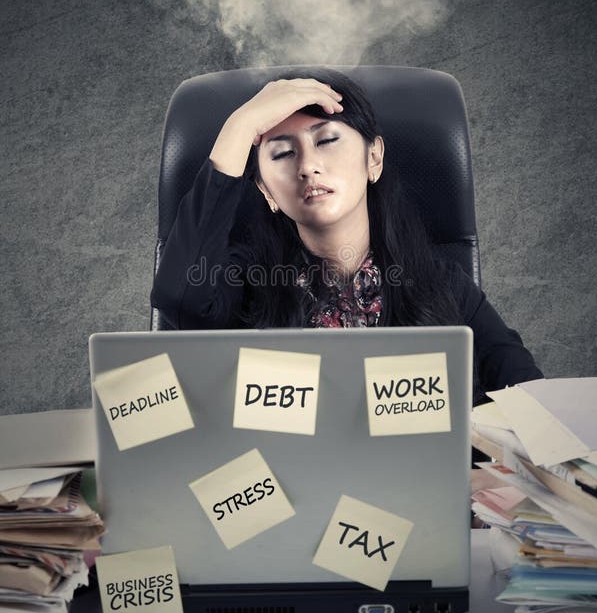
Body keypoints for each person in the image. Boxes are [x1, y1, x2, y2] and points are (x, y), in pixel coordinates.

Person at [150, 68, 543, 408]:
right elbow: (178, 298)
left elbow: (530, 403)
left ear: (373, 158)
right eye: (283, 153)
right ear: (266, 191)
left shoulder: (444, 285)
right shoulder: (244, 286)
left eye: (327, 141)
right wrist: (241, 124)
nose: (308, 167)